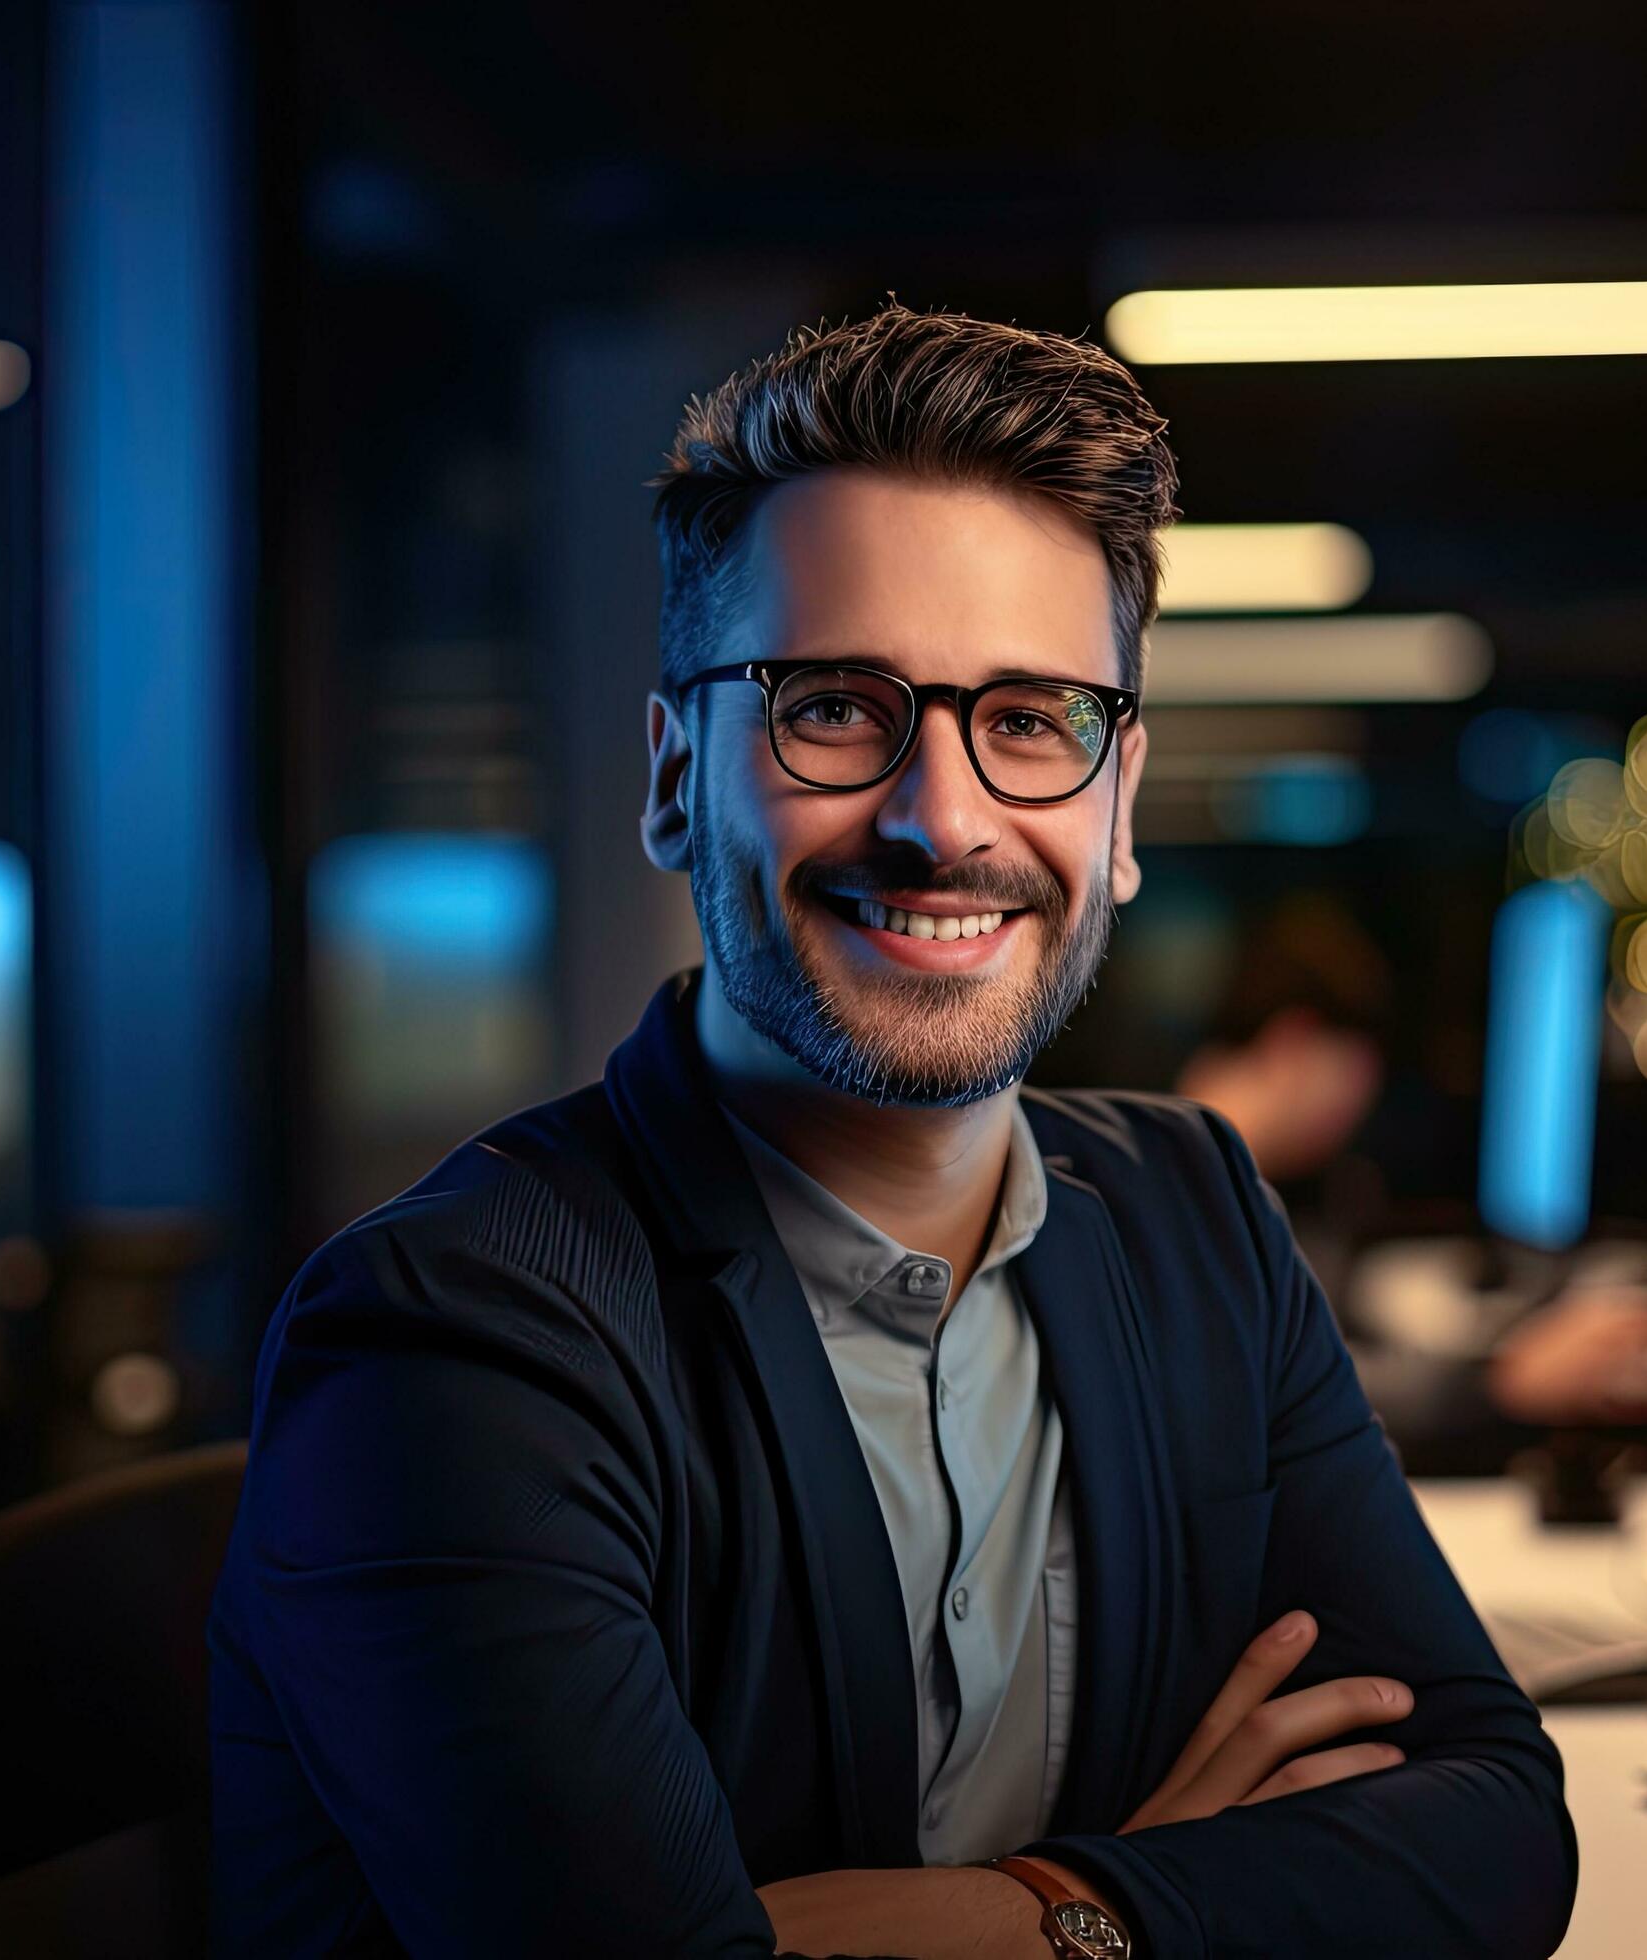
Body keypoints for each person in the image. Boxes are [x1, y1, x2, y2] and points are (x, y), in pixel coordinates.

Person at [207, 306, 1577, 1957]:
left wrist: (1066, 1913)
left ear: (1121, 805)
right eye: (838, 706)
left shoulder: (1191, 1212)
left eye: (1032, 719)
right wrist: (1216, 1899)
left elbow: (1497, 1827)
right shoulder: (454, 1340)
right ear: (673, 776)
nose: (942, 817)